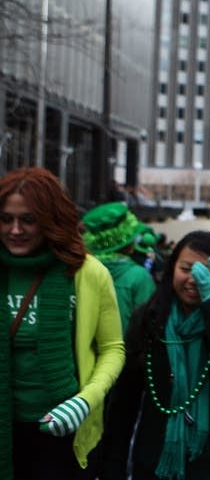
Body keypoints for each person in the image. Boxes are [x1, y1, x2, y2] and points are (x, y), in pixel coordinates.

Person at [102, 231, 210, 480]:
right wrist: (114, 465)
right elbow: (125, 399)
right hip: (155, 458)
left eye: (205, 271)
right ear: (171, 268)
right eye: (186, 269)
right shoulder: (150, 319)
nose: (194, 279)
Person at [0, 167, 125, 479]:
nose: (15, 230)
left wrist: (86, 401)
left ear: (50, 220)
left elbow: (113, 349)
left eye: (28, 219)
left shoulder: (90, 273)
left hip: (63, 432)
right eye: (6, 219)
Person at [81, 202, 157, 333]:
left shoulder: (79, 272)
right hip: (126, 352)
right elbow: (150, 325)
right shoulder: (139, 277)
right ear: (129, 242)